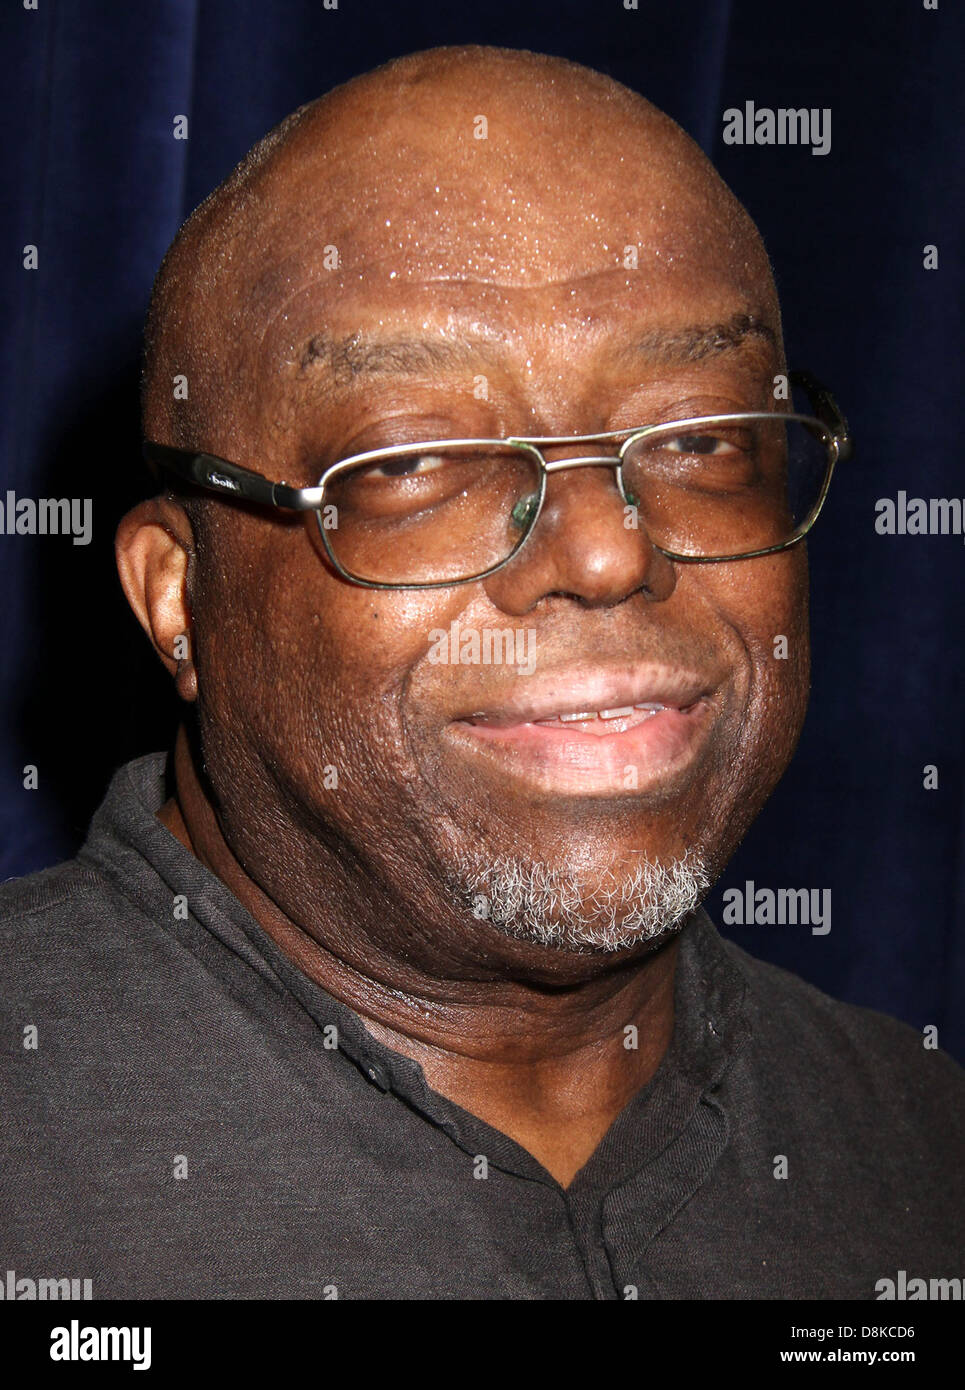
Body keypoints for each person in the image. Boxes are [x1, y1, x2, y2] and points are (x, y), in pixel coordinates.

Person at [1, 45, 961, 1301]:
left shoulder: (920, 1151)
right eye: (413, 461)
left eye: (702, 435)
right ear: (179, 599)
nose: (613, 547)